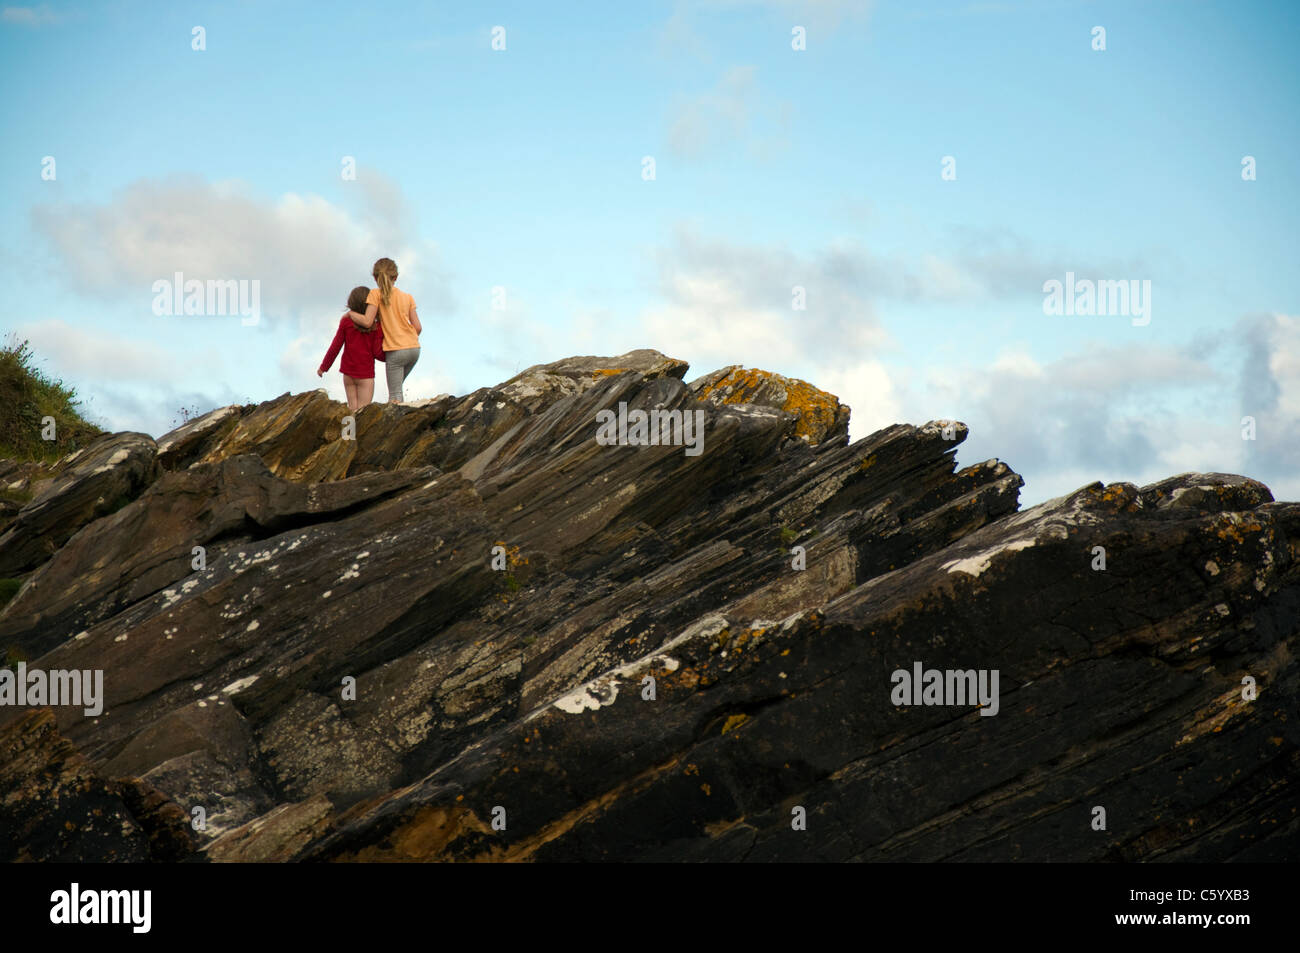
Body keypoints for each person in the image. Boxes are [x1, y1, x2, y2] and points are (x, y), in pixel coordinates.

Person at [346, 257, 422, 403]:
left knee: (395, 396)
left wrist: (351, 314)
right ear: (396, 277)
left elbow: (368, 322)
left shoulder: (375, 295)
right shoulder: (408, 297)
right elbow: (418, 327)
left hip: (396, 351)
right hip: (414, 350)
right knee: (397, 388)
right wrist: (409, 340)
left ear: (375, 277)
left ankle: (399, 424)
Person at [318, 286, 386, 411]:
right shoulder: (376, 327)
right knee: (362, 411)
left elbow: (335, 347)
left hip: (348, 373)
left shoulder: (346, 323)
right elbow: (377, 352)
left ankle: (349, 431)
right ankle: (357, 431)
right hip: (365, 374)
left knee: (352, 409)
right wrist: (391, 358)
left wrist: (324, 367)